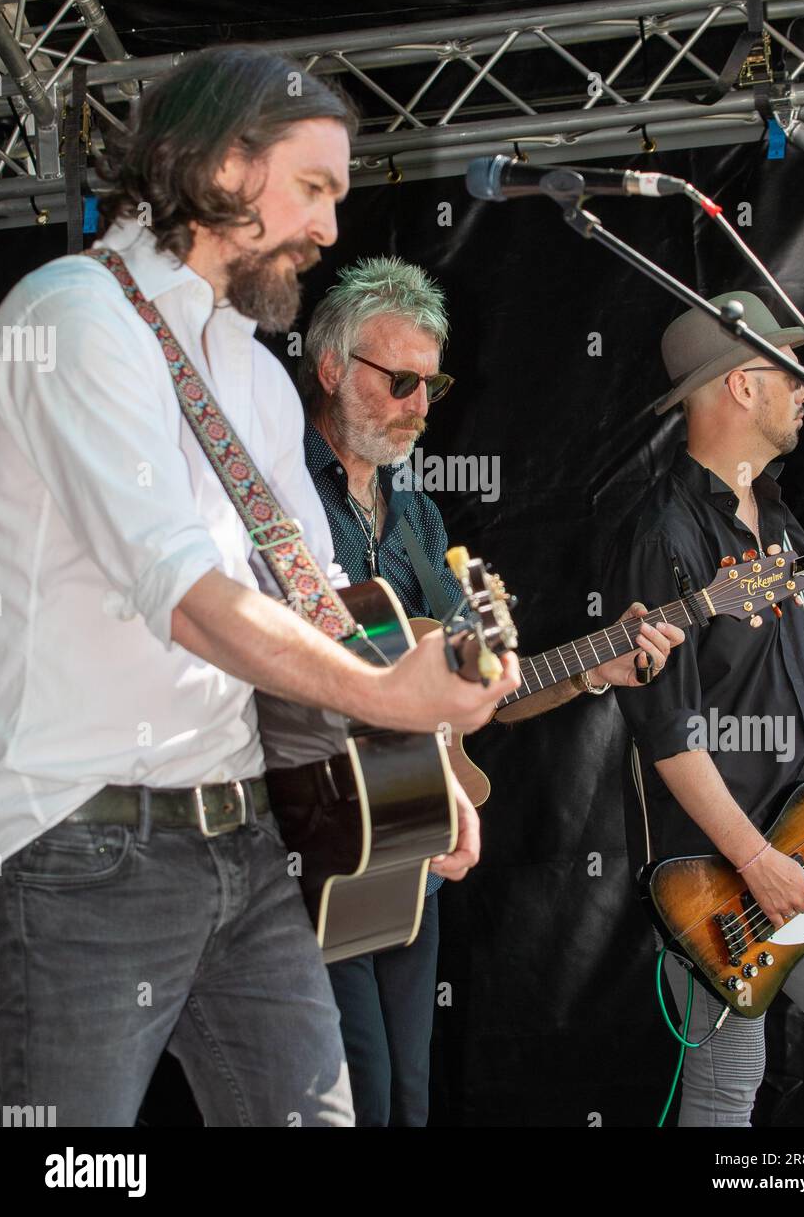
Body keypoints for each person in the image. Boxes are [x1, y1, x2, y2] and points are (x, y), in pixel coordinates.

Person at [0, 45, 518, 1128]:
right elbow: (185, 595)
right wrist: (390, 700)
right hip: (84, 846)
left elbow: (314, 605)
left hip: (240, 838)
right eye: (314, 187)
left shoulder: (250, 372)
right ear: (223, 164)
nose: (330, 228)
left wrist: (416, 771)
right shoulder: (75, 322)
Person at [299, 254, 683, 1125]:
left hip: (415, 850)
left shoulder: (422, 518)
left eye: (432, 386)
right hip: (311, 848)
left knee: (406, 1101)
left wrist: (595, 663)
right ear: (330, 368)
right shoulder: (278, 496)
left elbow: (483, 692)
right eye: (400, 381)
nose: (419, 407)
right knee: (343, 1098)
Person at [607, 291, 804, 1128]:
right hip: (720, 881)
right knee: (728, 1088)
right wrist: (755, 861)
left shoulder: (776, 521)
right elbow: (665, 729)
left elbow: (803, 683)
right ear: (739, 386)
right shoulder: (664, 534)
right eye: (788, 371)